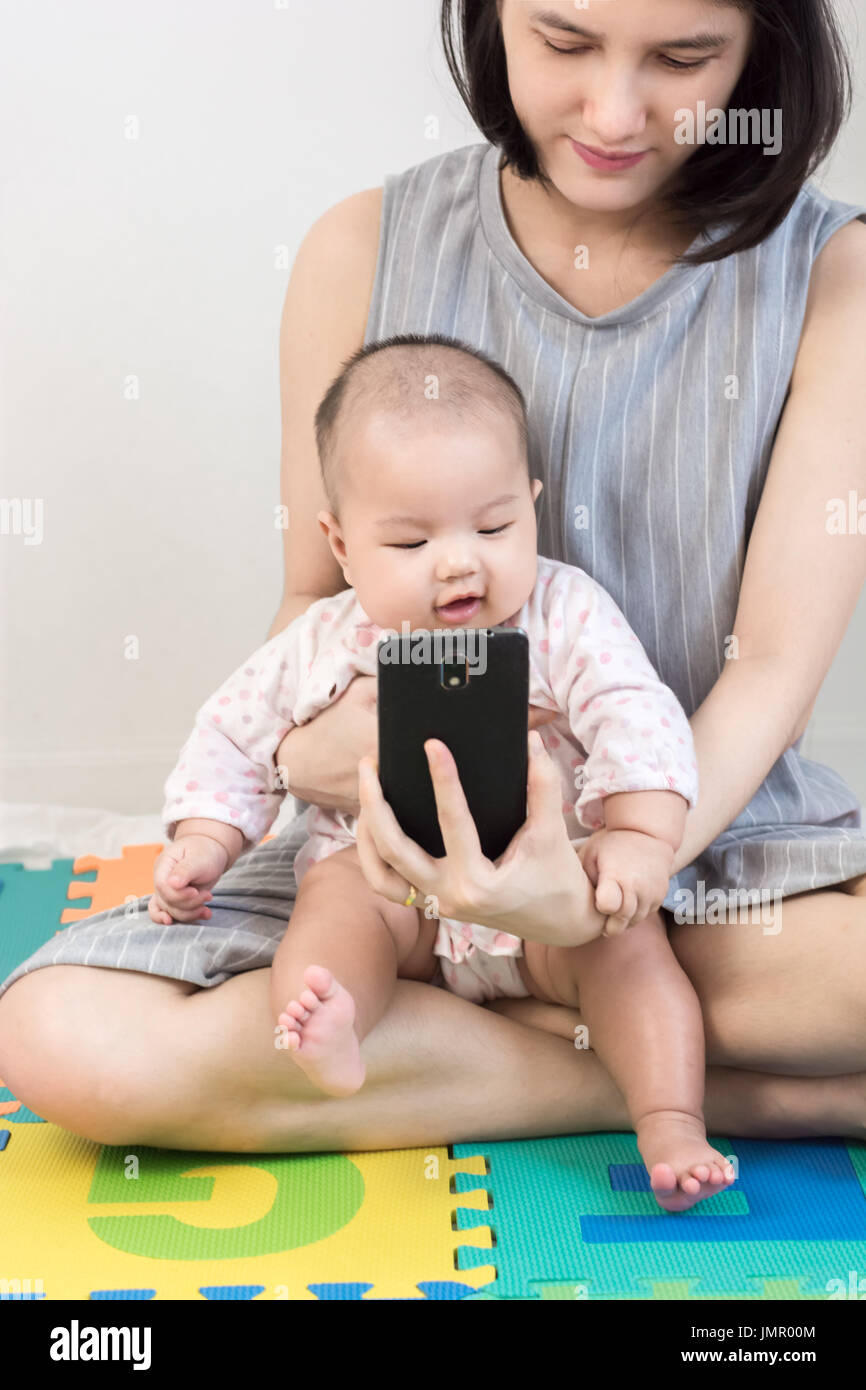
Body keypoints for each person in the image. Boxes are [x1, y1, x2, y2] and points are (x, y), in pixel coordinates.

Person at [1, 0, 866, 1157]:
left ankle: (519, 1028)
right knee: (62, 1033)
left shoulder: (833, 276)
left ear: (762, 48)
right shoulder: (359, 247)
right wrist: (325, 768)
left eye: (681, 57)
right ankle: (735, 1094)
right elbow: (312, 601)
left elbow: (766, 675)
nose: (613, 112)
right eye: (563, 42)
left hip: (692, 837)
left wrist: (610, 877)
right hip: (385, 854)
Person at [152, 332, 735, 1209]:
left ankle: (668, 1117)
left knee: (633, 953)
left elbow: (635, 712)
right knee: (332, 910)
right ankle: (339, 1027)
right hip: (395, 886)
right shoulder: (325, 640)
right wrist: (204, 840)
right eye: (412, 541)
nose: (460, 560)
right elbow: (233, 735)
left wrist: (639, 840)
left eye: (494, 526)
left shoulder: (566, 612)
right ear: (342, 545)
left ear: (533, 506)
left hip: (548, 893)